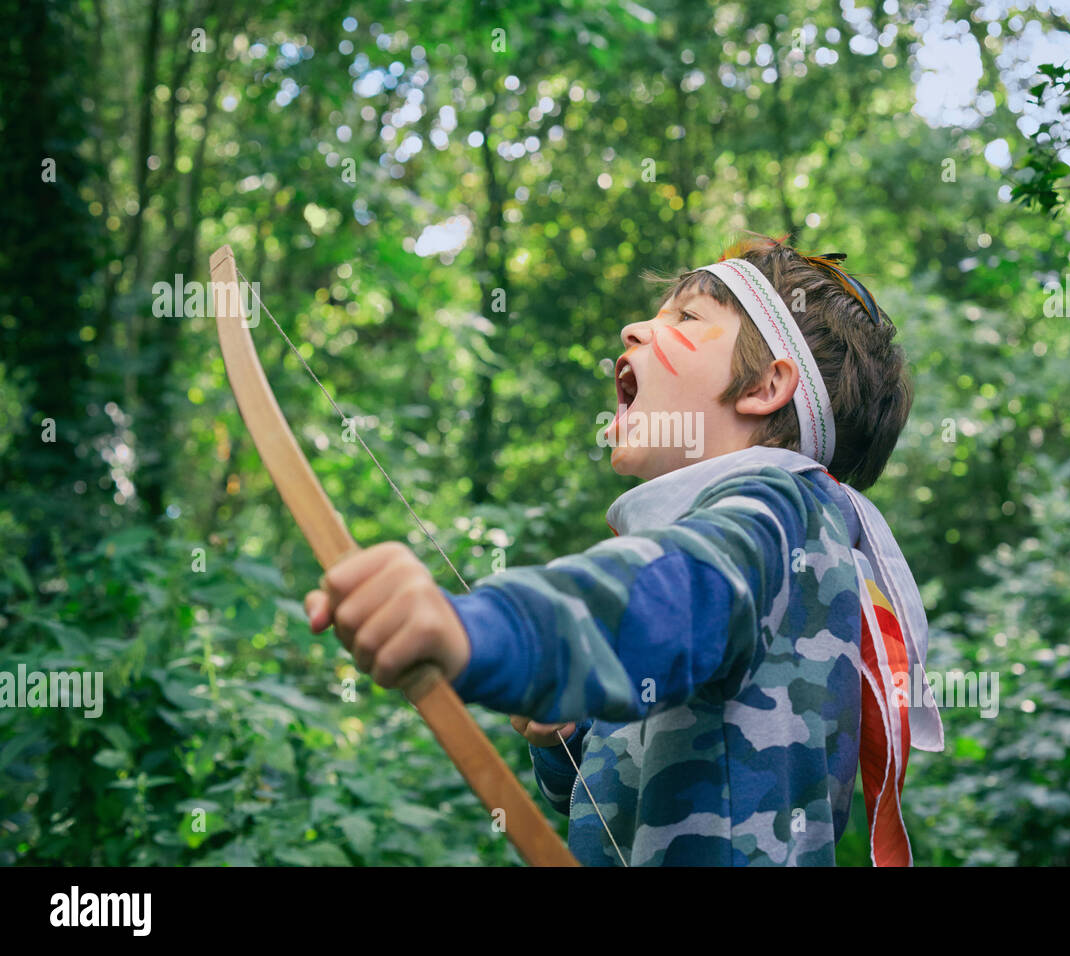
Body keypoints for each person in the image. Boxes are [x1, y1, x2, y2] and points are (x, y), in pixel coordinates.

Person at [303, 232, 943, 866]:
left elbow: (667, 597)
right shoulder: (734, 536)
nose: (633, 330)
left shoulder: (774, 511)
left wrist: (473, 628)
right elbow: (614, 797)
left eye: (687, 317)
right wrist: (566, 737)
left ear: (764, 387)